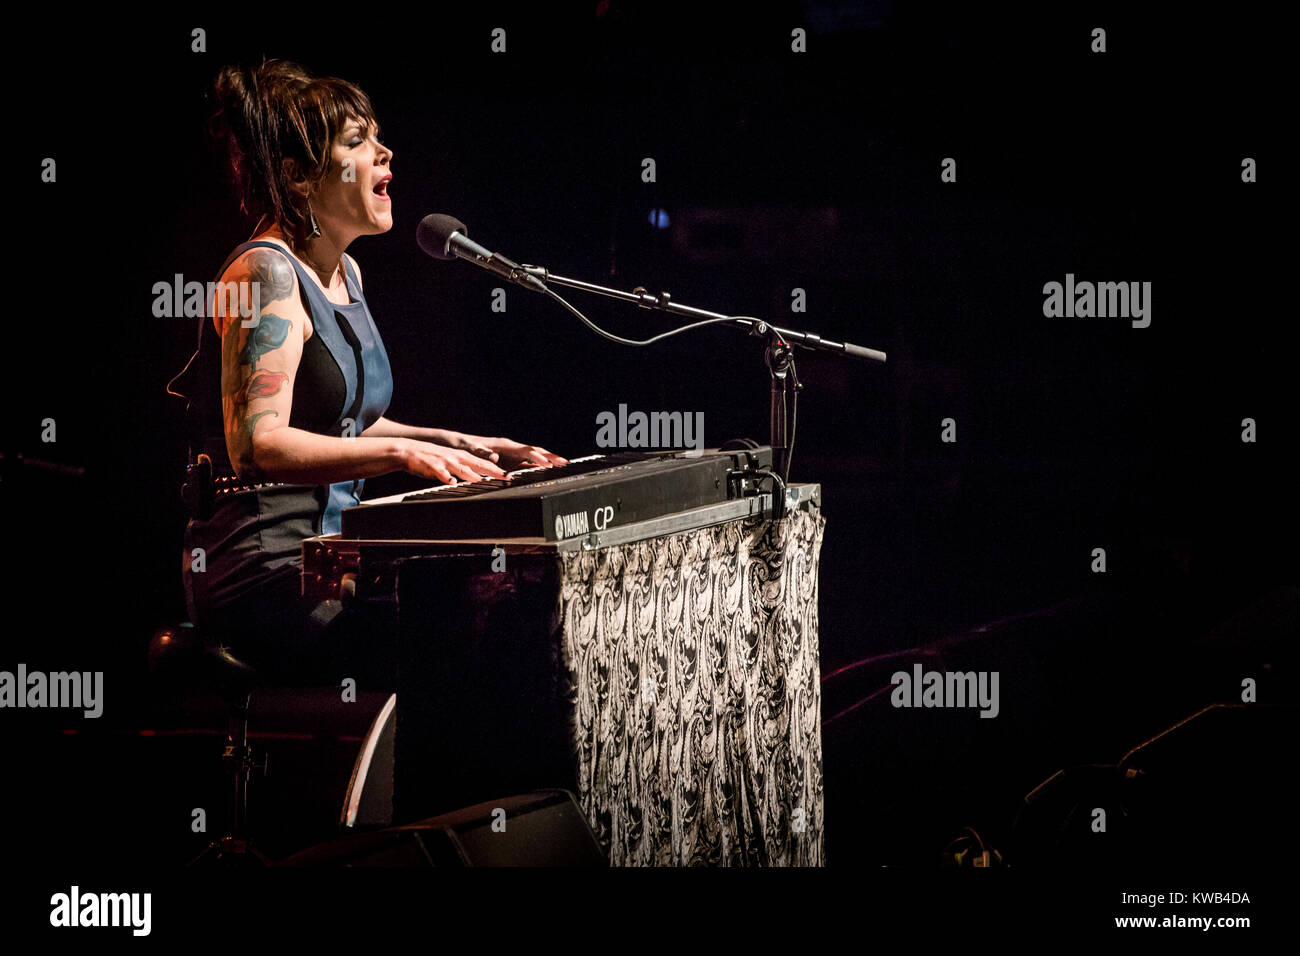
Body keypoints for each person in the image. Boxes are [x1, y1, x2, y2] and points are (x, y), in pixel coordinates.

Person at [170, 59, 566, 685]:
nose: (385, 153)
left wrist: (466, 444)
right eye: (357, 142)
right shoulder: (263, 273)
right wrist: (402, 456)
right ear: (299, 176)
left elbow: (351, 417)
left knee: (512, 598)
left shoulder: (346, 274)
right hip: (264, 571)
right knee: (477, 625)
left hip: (331, 560)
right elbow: (257, 444)